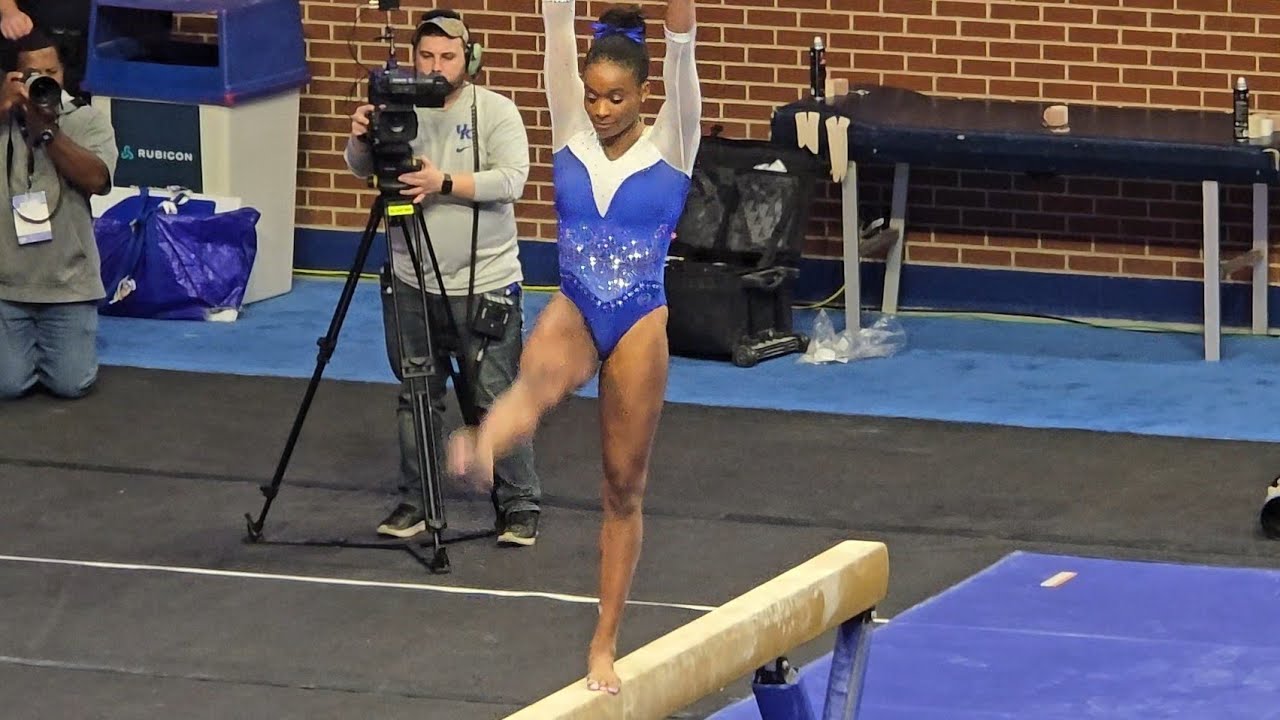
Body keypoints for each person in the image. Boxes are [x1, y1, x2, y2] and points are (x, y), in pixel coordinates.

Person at [449, 0, 700, 694]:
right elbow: (556, 20)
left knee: (622, 487)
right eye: (592, 95)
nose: (601, 109)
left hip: (640, 318)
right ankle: (484, 443)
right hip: (577, 300)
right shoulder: (569, 126)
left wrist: (680, 32)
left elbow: (683, 41)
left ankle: (603, 643)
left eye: (617, 98)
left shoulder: (674, 140)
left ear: (644, 95)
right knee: (534, 387)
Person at [344, 9, 543, 546]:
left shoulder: (497, 111)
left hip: (487, 281)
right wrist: (362, 136)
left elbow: (513, 179)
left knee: (496, 396)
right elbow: (361, 168)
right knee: (415, 394)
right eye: (426, 56)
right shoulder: (395, 108)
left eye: (447, 56)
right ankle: (417, 501)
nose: (436, 66)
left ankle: (519, 504)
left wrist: (444, 181)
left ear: (469, 60)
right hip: (412, 277)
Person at [0, 29, 117, 400]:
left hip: (69, 284)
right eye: (33, 74)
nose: (45, 80)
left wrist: (49, 131)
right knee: (9, 385)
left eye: (52, 71)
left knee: (71, 384)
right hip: (6, 284)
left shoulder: (88, 121)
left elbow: (97, 179)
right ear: (14, 77)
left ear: (64, 74)